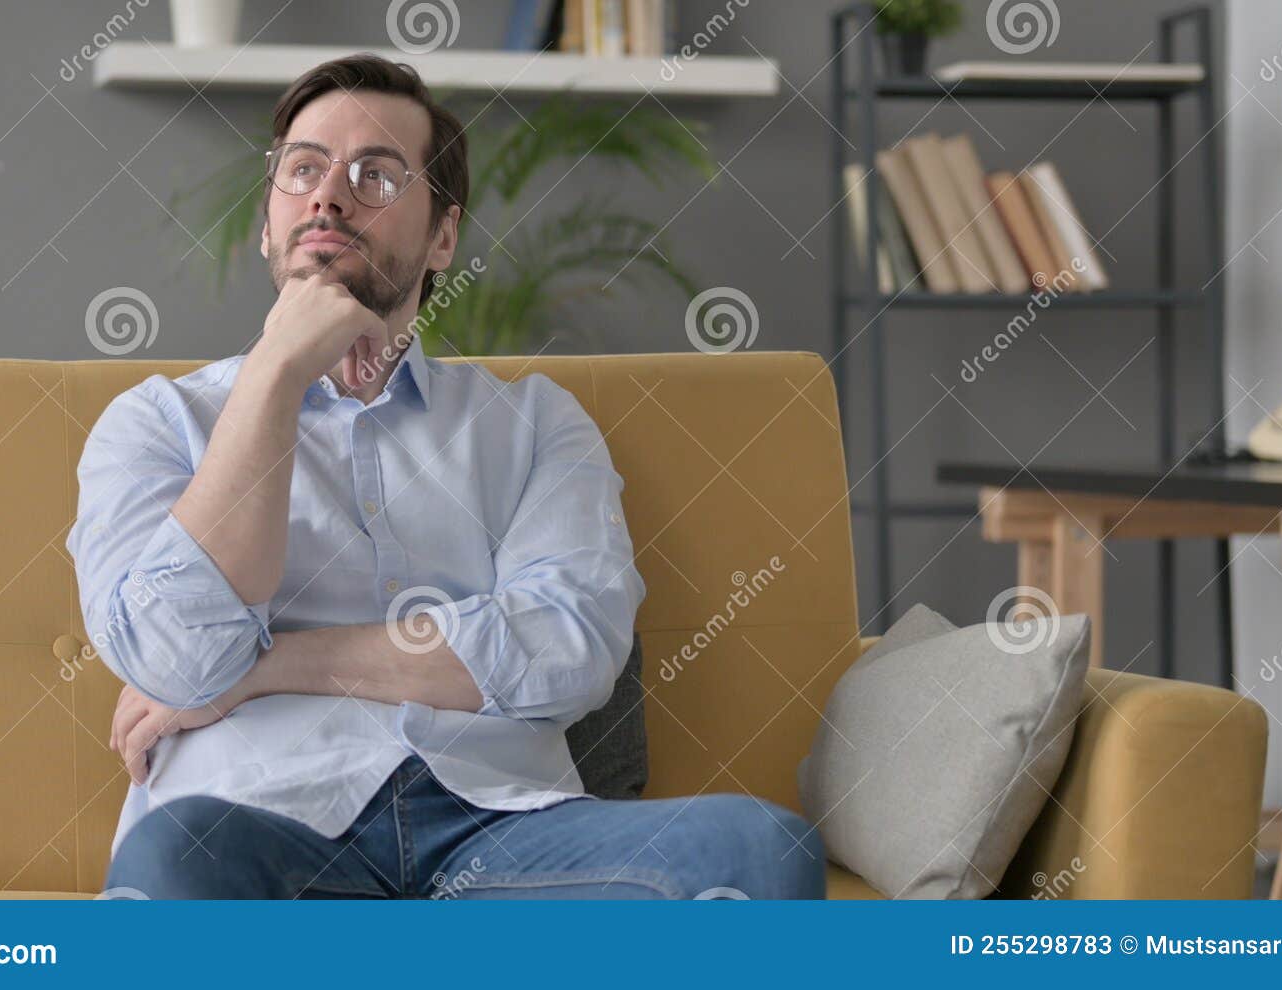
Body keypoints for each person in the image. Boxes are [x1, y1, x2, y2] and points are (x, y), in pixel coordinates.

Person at [66, 53, 823, 900]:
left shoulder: (536, 424)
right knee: (174, 858)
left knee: (757, 848)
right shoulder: (157, 424)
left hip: (503, 835)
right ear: (267, 223)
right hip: (262, 834)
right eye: (303, 168)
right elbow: (174, 659)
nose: (329, 195)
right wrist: (276, 372)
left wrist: (262, 667)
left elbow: (569, 648)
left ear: (442, 236)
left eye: (377, 174)